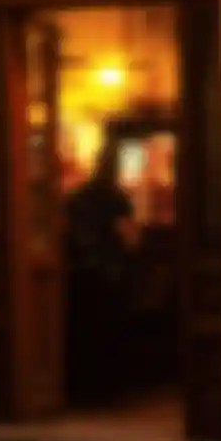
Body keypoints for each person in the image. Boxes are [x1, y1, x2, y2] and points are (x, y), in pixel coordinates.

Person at [63, 147, 139, 405]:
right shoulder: (117, 198)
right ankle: (109, 391)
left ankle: (84, 391)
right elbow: (130, 238)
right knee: (111, 336)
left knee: (85, 335)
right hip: (111, 274)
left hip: (80, 274)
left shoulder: (76, 197)